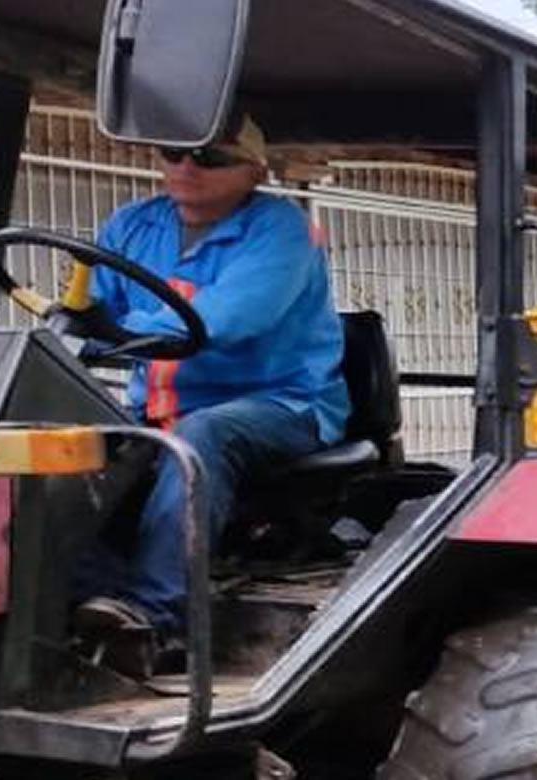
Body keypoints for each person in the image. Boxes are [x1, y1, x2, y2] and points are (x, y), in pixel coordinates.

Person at [71, 114, 349, 677]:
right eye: (173, 151)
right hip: (153, 408)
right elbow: (90, 310)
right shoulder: (131, 225)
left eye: (210, 157)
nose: (186, 166)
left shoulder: (281, 230)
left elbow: (225, 317)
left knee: (205, 434)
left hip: (282, 405)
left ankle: (156, 620)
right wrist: (81, 328)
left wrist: (117, 331)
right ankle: (83, 604)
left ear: (254, 169)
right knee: (57, 436)